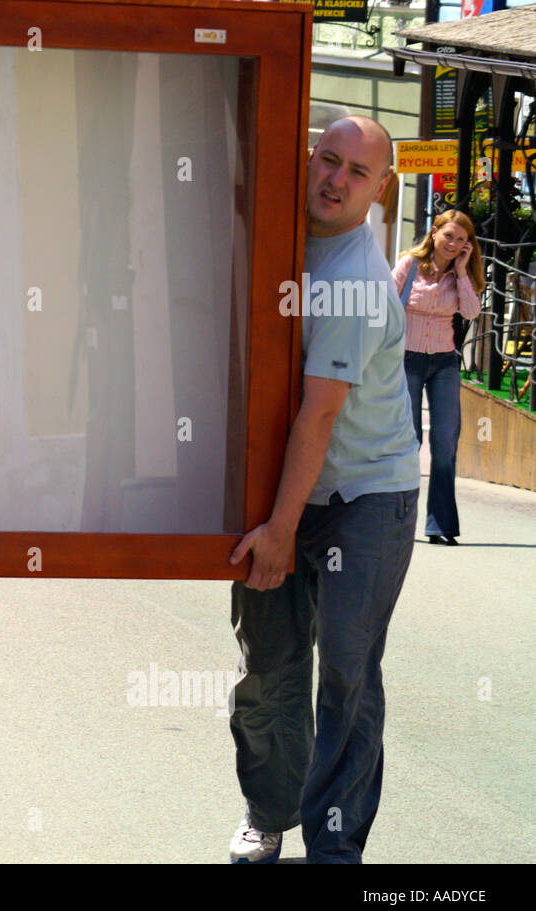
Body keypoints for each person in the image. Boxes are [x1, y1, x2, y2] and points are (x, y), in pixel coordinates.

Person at [226, 116, 420, 864]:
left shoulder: (355, 282)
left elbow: (319, 414)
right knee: (268, 666)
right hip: (282, 488)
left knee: (344, 671)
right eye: (328, 160)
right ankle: (267, 814)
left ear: (380, 189)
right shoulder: (273, 235)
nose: (336, 180)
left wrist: (278, 530)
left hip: (365, 499)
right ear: (308, 157)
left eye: (357, 172)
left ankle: (334, 850)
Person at [391, 210, 483, 546]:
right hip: (407, 360)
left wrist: (461, 272)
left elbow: (471, 312)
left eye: (461, 240)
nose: (453, 244)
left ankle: (440, 525)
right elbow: (384, 305)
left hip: (444, 363)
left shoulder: (460, 275)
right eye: (449, 236)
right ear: (434, 233)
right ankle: (396, 521)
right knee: (408, 441)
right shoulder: (409, 264)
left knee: (445, 442)